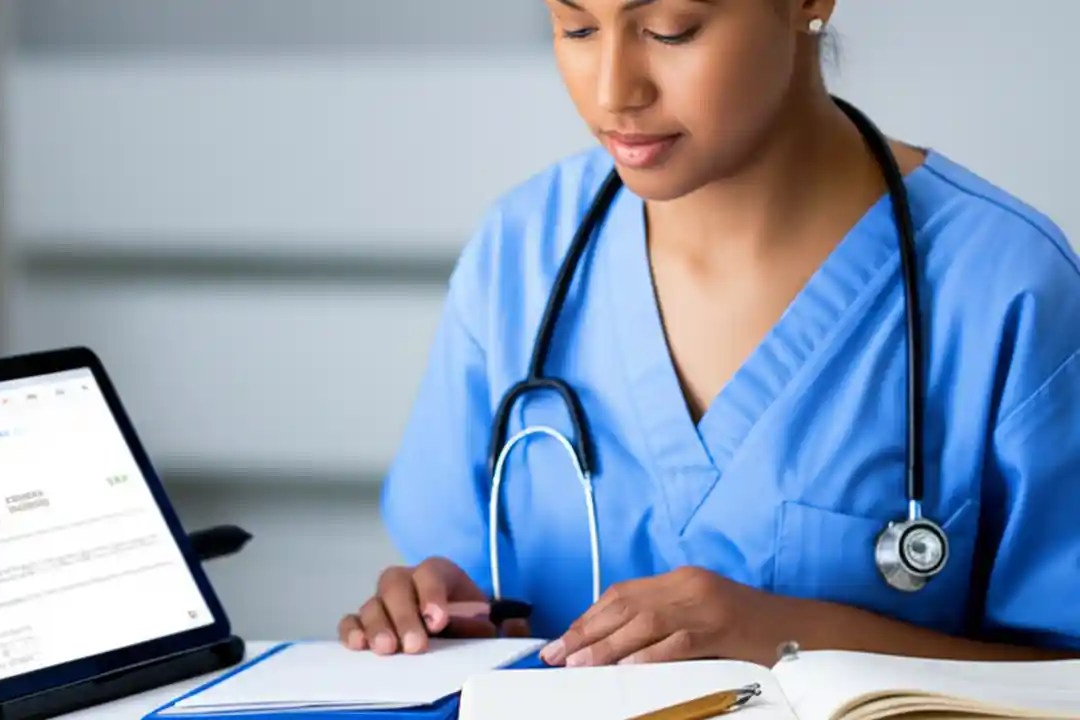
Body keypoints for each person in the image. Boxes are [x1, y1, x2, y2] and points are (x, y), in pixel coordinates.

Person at [338, 0, 1080, 667]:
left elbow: (1065, 678)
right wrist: (439, 614)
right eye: (576, 27)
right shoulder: (520, 253)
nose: (613, 91)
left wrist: (785, 633)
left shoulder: (1006, 287)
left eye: (672, 30)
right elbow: (476, 592)